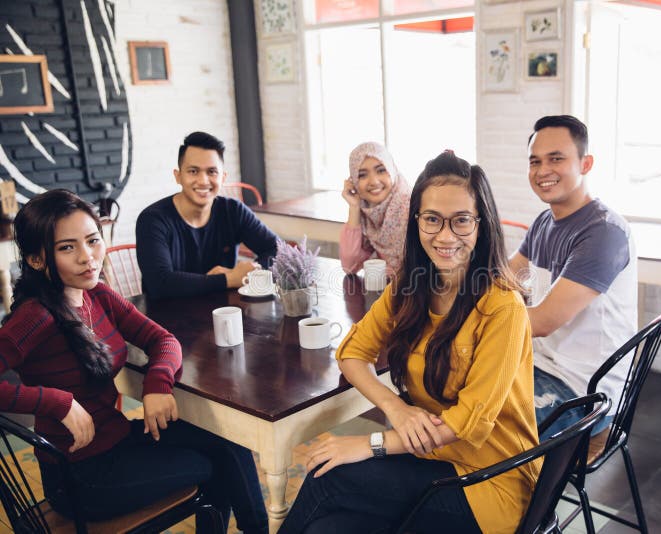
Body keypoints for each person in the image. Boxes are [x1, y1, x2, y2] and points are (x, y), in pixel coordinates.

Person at [280, 151, 539, 534]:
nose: (445, 236)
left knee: (328, 478)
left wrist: (370, 443)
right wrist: (395, 410)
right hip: (430, 458)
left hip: (488, 480)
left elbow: (467, 424)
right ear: (416, 220)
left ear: (482, 225)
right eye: (432, 219)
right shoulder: (410, 285)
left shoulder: (503, 306)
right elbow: (351, 352)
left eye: (461, 221)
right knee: (327, 525)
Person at [0, 189, 268, 532]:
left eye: (93, 240)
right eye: (67, 247)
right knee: (215, 466)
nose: (88, 257)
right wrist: (57, 402)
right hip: (81, 477)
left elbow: (163, 339)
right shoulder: (34, 316)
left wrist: (157, 385)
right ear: (37, 259)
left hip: (117, 440)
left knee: (229, 443)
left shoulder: (96, 295)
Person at [508, 115, 638, 440]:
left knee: (476, 420)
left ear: (586, 163)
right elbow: (504, 278)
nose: (542, 171)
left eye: (556, 159)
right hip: (541, 363)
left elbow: (542, 322)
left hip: (586, 389)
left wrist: (469, 321)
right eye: (535, 161)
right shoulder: (543, 223)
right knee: (446, 389)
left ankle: (500, 489)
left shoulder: (603, 233)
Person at [136, 131, 279, 298]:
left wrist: (251, 272)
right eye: (193, 171)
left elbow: (278, 251)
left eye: (212, 172)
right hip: (168, 318)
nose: (203, 181)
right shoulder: (152, 220)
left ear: (223, 177)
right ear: (178, 176)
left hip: (224, 311)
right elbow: (160, 283)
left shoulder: (233, 211)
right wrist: (228, 279)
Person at [339, 141, 411, 277]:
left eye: (381, 170)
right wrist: (354, 207)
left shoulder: (412, 207)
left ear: (392, 170)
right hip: (391, 292)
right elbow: (350, 266)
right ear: (354, 181)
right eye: (362, 175)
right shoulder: (369, 213)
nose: (373, 181)